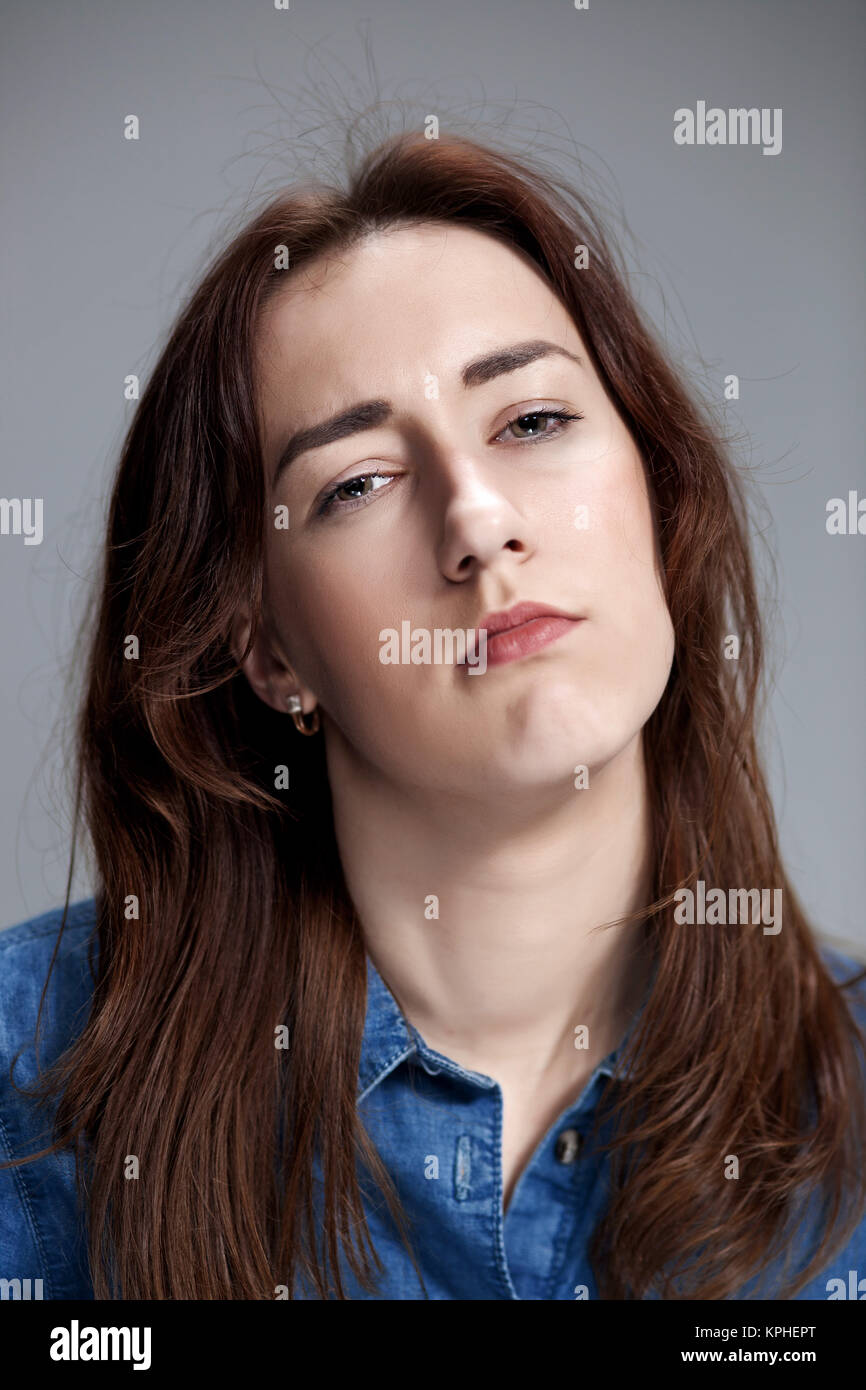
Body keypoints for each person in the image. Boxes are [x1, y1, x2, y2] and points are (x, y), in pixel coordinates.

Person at [1, 129, 865, 1301]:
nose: (477, 520)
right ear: (264, 647)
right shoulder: (30, 1078)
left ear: (656, 498)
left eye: (531, 421)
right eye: (356, 482)